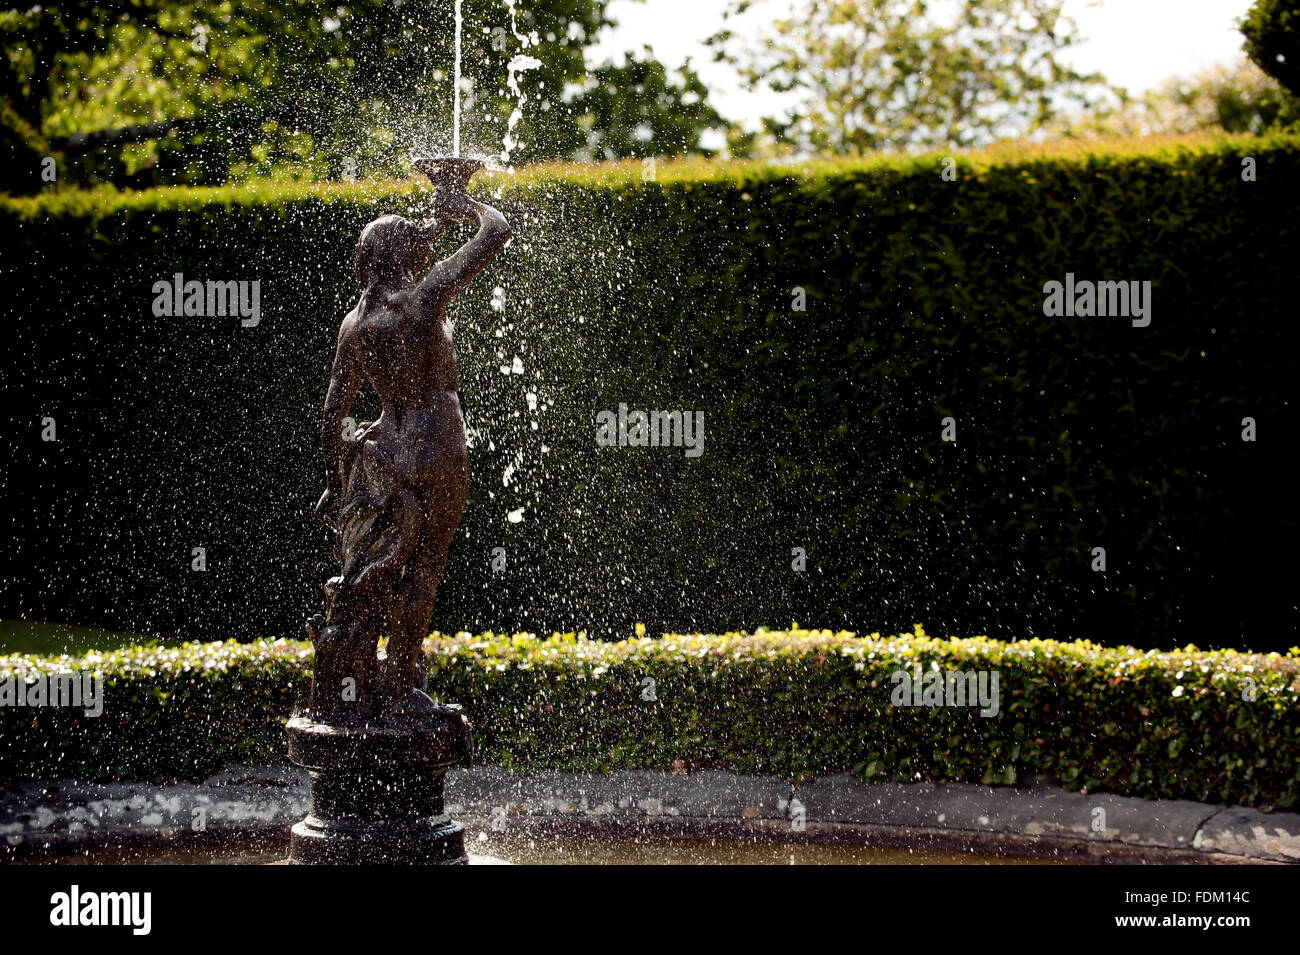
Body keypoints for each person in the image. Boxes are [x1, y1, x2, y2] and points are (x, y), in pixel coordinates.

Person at [308, 165, 511, 718]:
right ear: (400, 257)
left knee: (381, 564)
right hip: (440, 445)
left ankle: (360, 681)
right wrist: (464, 200)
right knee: (424, 567)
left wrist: (336, 483)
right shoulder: (424, 300)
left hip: (389, 453)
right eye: (414, 245)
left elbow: (333, 416)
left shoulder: (355, 325)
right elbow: (497, 230)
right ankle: (399, 691)